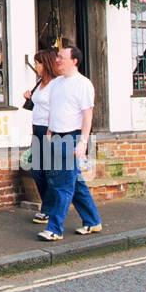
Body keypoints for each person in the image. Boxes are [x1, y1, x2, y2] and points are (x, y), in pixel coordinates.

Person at [37, 43, 103, 241]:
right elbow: (54, 109)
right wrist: (49, 128)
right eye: (57, 57)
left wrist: (83, 142)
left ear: (74, 61)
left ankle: (54, 229)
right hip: (57, 136)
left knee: (62, 186)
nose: (57, 60)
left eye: (61, 58)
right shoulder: (57, 83)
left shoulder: (83, 84)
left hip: (72, 138)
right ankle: (93, 221)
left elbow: (87, 115)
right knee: (75, 183)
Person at [22, 48, 60, 224]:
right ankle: (49, 205)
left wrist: (51, 131)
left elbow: (57, 108)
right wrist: (29, 96)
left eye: (38, 62)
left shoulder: (56, 84)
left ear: (47, 64)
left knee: (50, 172)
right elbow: (37, 103)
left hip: (48, 131)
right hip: (36, 130)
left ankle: (48, 210)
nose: (36, 65)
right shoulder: (40, 82)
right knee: (36, 171)